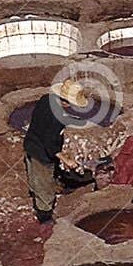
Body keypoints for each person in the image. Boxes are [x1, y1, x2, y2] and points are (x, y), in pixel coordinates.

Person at [22, 77, 92, 220]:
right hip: (41, 153)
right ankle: (44, 215)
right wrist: (66, 160)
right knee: (44, 185)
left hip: (31, 143)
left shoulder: (45, 99)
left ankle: (35, 195)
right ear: (67, 102)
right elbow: (50, 144)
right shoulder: (57, 116)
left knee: (34, 177)